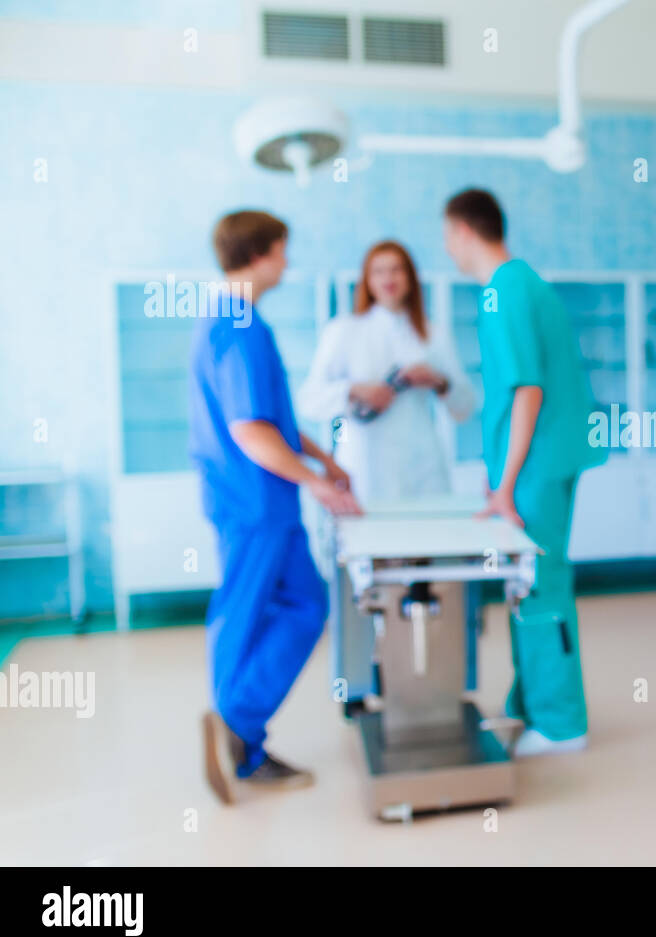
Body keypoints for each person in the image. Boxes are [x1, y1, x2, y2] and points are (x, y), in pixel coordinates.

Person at [189, 209, 363, 805]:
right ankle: (238, 733)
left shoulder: (238, 319)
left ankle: (239, 735)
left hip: (261, 499)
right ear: (260, 252)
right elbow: (248, 432)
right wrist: (315, 482)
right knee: (252, 613)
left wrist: (322, 459)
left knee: (298, 606)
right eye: (282, 251)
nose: (287, 262)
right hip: (253, 500)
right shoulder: (236, 324)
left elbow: (274, 419)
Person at [442, 188, 607, 757]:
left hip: (532, 468)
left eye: (448, 239)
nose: (449, 250)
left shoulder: (503, 290)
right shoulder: (524, 282)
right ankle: (532, 702)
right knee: (527, 583)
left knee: (537, 586)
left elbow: (527, 389)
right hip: (544, 461)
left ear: (462, 231)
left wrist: (505, 484)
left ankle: (561, 724)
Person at [297, 240, 476, 505]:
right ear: (366, 280)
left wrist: (439, 382)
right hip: (364, 465)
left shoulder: (434, 334)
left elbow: (466, 407)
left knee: (425, 542)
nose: (388, 278)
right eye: (378, 271)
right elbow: (308, 401)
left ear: (411, 278)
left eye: (396, 269)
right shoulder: (343, 331)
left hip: (421, 464)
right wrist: (354, 390)